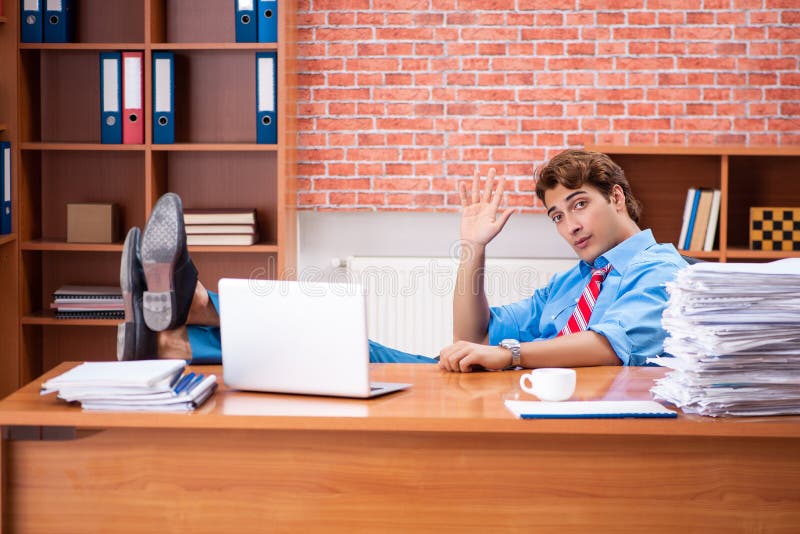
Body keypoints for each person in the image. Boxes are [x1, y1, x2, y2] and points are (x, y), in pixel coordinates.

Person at [118, 149, 686, 371]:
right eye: (558, 215)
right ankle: (182, 327)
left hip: (536, 406)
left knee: (344, 347)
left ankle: (187, 321)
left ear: (616, 197)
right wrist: (472, 250)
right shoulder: (573, 283)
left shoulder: (663, 272)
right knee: (342, 336)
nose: (570, 225)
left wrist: (508, 356)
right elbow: (473, 332)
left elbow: (610, 345)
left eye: (578, 205)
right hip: (487, 392)